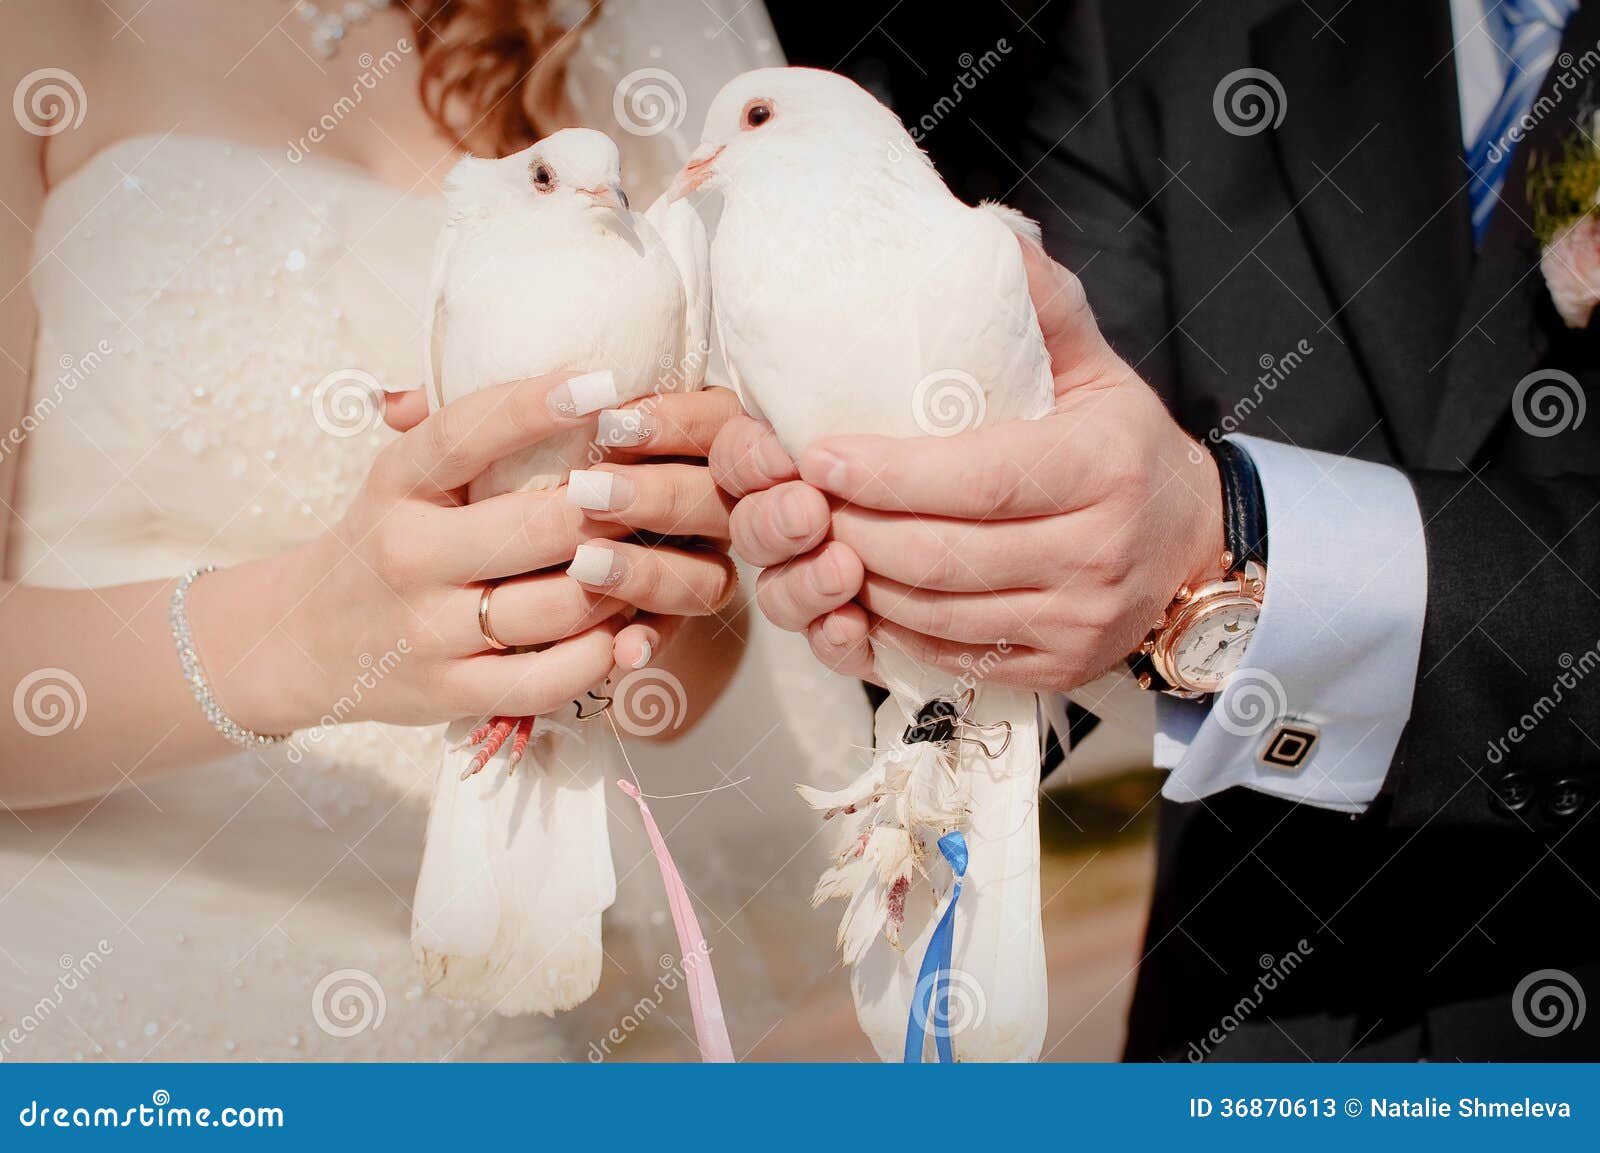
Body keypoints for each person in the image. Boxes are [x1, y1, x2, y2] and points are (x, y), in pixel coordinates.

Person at [716, 0, 1600, 1060]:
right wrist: (885, 543)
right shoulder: (1158, 28)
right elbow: (1058, 450)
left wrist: (1231, 550)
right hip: (1260, 1014)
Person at [0, 0, 870, 1061]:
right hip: (94, 975)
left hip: (509, 977)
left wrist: (652, 587)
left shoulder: (568, 41)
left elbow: (674, 690)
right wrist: (310, 637)